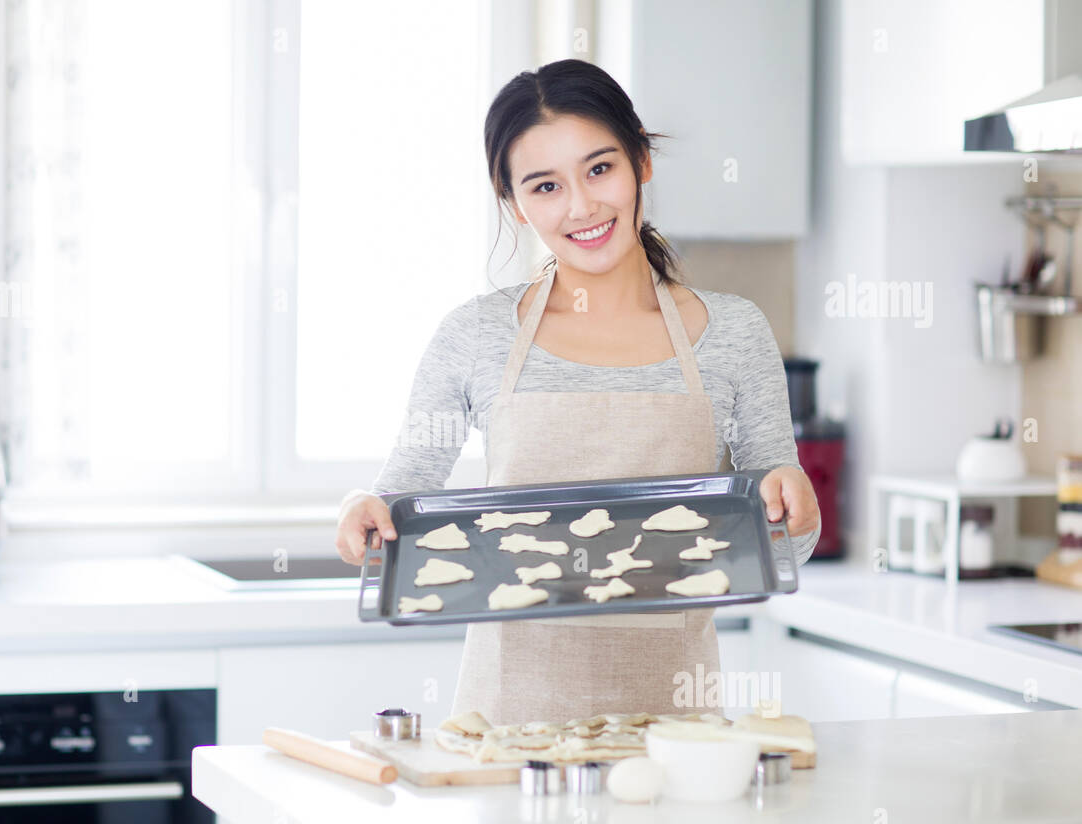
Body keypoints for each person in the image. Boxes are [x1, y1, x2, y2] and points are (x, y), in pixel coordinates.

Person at [336, 59, 820, 725]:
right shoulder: (474, 335)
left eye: (600, 169)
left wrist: (794, 508)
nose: (582, 207)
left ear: (642, 161)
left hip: (676, 736)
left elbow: (781, 549)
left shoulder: (733, 332)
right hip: (508, 729)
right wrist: (364, 511)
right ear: (514, 203)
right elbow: (398, 510)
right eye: (545, 186)